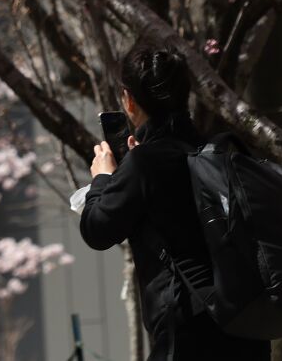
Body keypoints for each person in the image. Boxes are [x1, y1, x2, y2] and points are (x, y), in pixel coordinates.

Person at [80, 42, 270, 361]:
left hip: (188, 330)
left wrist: (103, 177)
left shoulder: (145, 164)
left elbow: (96, 229)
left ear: (128, 101)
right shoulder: (216, 152)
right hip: (247, 326)